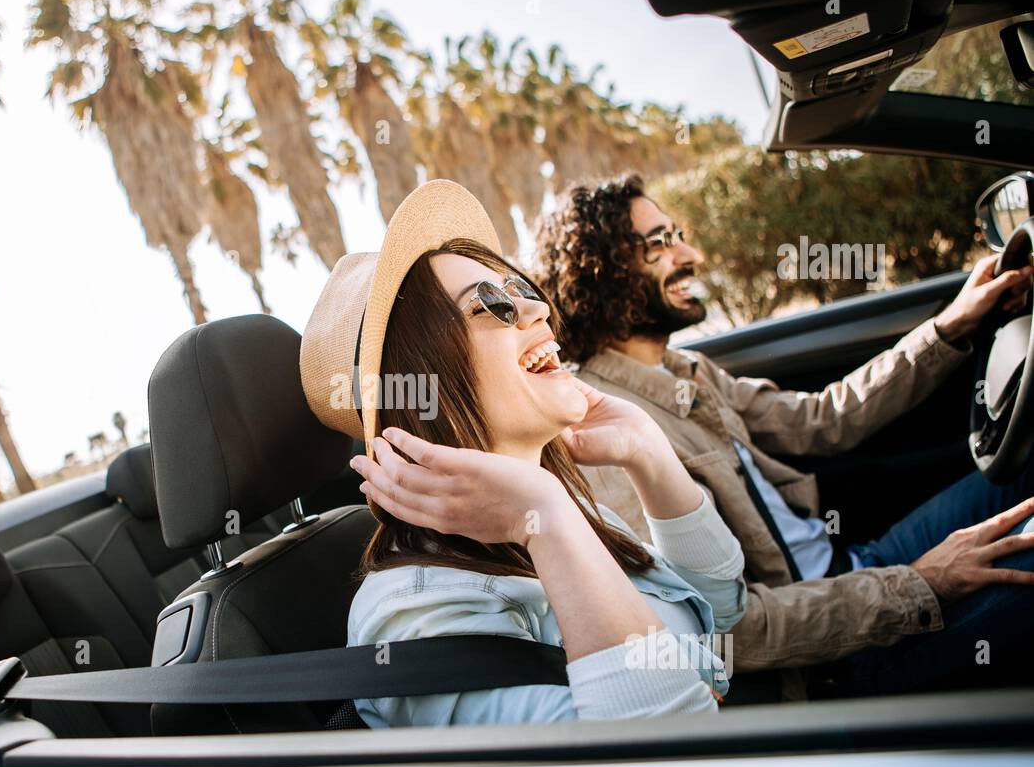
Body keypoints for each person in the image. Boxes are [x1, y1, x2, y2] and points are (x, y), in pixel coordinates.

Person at [533, 174, 1034, 699]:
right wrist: (921, 584)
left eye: (678, 233)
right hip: (836, 656)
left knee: (1019, 473)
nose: (692, 252)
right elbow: (726, 632)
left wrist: (950, 326)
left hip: (859, 568)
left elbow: (824, 419)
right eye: (661, 242)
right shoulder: (601, 430)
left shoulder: (686, 369)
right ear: (600, 267)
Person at [298, 179, 749, 727]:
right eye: (490, 304)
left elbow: (720, 616)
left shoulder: (573, 511)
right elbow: (664, 764)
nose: (537, 307)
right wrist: (549, 522)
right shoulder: (415, 616)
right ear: (424, 384)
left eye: (519, 286)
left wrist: (646, 450)